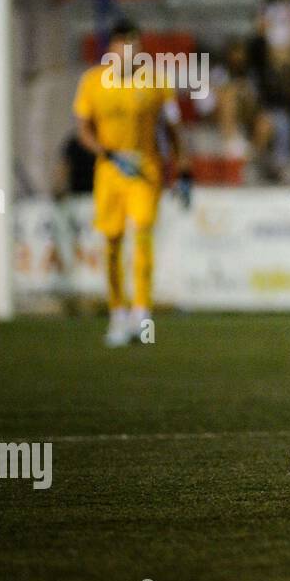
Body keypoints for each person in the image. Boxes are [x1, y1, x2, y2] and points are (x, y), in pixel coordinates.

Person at [73, 19, 192, 347]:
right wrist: (107, 153)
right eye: (125, 44)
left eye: (136, 45)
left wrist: (182, 169)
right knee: (112, 242)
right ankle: (117, 314)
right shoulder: (93, 82)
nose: (131, 51)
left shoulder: (156, 82)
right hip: (110, 169)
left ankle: (142, 314)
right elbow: (83, 129)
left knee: (142, 232)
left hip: (144, 166)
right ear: (111, 48)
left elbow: (171, 129)